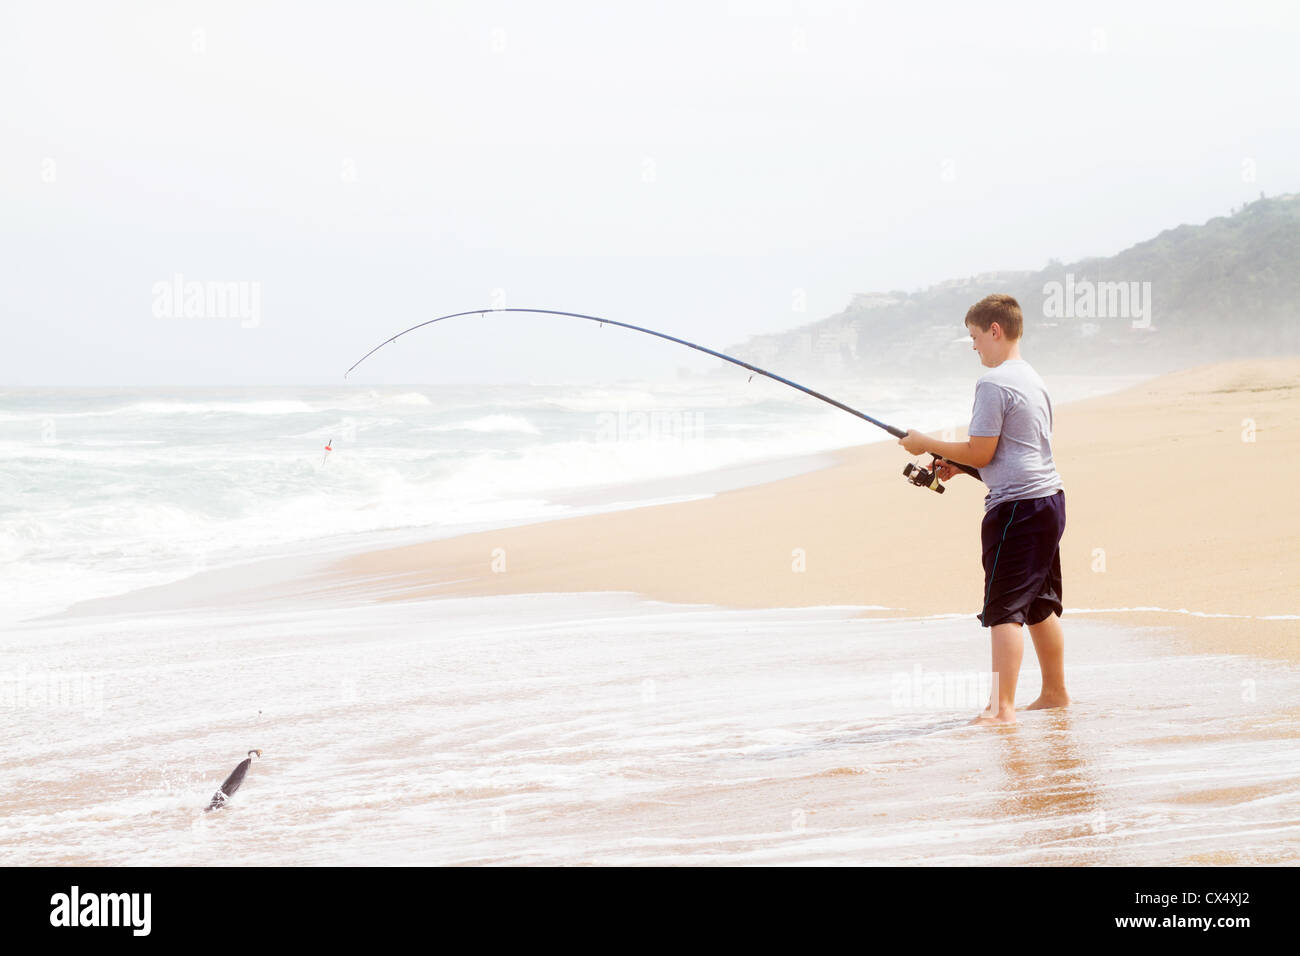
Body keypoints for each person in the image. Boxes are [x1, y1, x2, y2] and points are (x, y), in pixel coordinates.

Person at [898, 293, 1068, 725]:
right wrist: (960, 466)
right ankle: (1054, 693)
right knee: (1039, 604)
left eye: (974, 336)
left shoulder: (992, 384)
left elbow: (982, 449)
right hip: (1048, 501)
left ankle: (1000, 709)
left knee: (1005, 609)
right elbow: (1012, 453)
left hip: (1017, 510)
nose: (973, 346)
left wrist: (926, 442)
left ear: (995, 330)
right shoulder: (1031, 377)